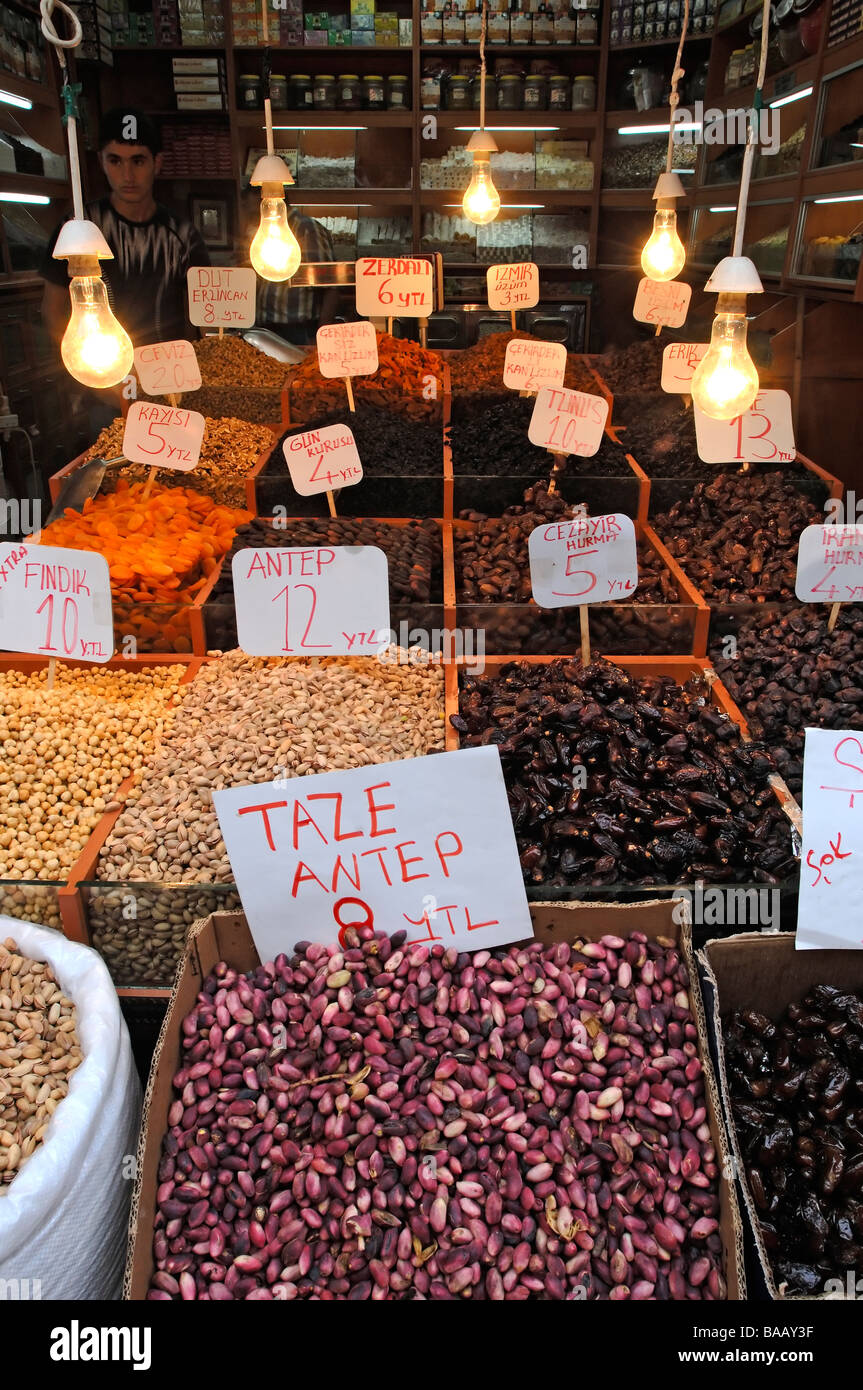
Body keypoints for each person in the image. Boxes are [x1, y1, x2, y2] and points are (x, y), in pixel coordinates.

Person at [40, 108, 210, 353]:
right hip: (99, 370)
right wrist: (79, 367)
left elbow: (200, 317)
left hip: (167, 375)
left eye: (138, 161)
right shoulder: (76, 232)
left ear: (157, 162)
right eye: (115, 161)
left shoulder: (182, 235)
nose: (127, 175)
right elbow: (52, 311)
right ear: (102, 161)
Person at [255, 202, 339, 345]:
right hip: (266, 329)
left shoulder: (307, 229)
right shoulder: (263, 231)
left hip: (300, 331)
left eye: (248, 204)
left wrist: (322, 337)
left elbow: (330, 285)